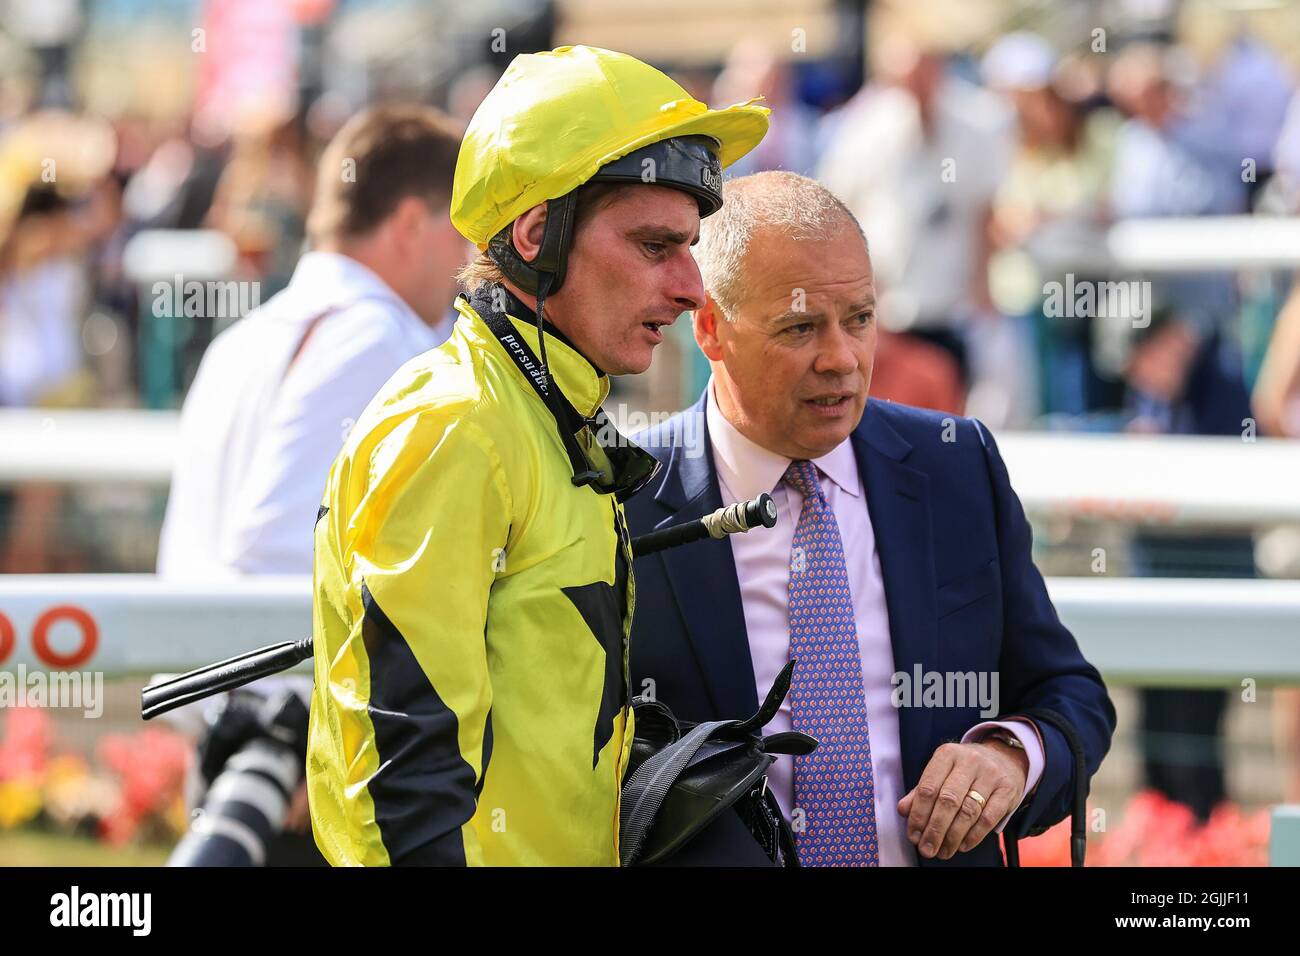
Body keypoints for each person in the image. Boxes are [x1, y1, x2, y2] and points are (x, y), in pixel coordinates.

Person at [305, 45, 769, 866]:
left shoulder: (547, 413)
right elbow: (405, 788)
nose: (693, 286)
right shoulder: (456, 427)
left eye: (690, 248)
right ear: (535, 233)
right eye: (656, 247)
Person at [625, 171, 1116, 866]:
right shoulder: (625, 498)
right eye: (800, 328)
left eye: (859, 319)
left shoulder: (955, 466)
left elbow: (1070, 693)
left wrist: (1011, 755)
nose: (843, 359)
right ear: (710, 329)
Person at [158, 104, 467, 866]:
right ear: (408, 224)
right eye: (462, 230)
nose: (472, 258)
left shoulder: (252, 336)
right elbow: (273, 550)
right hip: (297, 752)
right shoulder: (375, 335)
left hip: (243, 743)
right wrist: (299, 728)